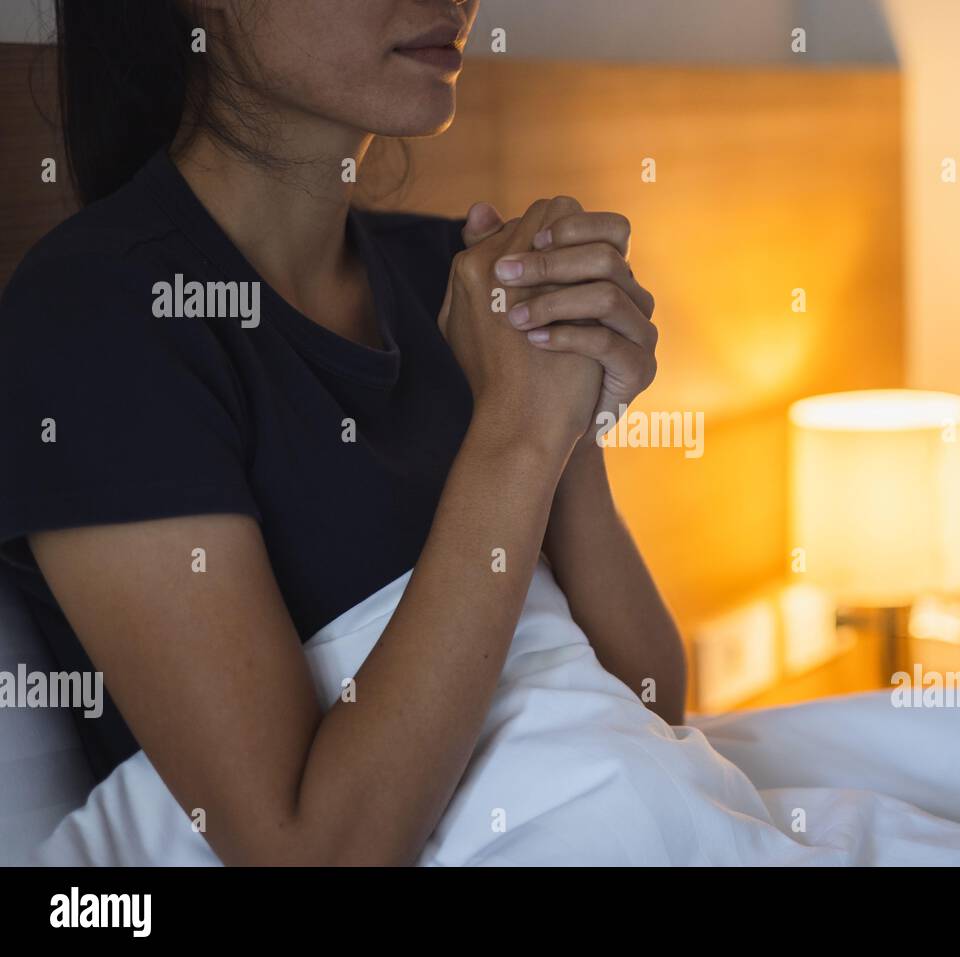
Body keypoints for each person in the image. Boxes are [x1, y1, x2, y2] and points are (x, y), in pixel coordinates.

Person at [0, 0, 682, 865]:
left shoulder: (462, 279)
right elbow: (310, 853)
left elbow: (651, 706)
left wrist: (565, 421)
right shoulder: (95, 319)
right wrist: (514, 438)